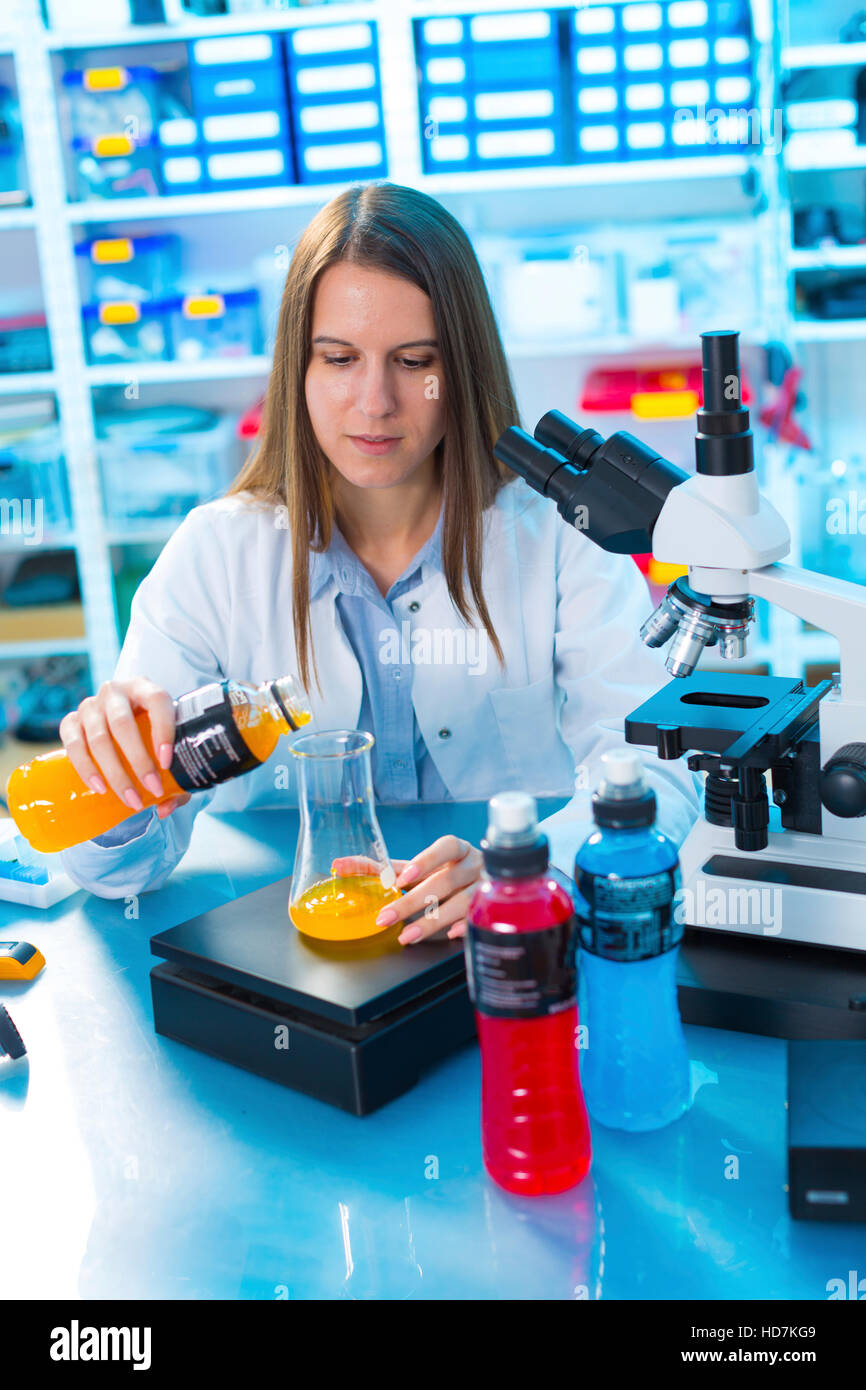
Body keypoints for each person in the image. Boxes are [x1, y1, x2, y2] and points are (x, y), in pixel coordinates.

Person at [58, 182, 700, 939]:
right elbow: (119, 875)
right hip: (288, 953)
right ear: (297, 368)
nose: (374, 402)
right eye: (338, 358)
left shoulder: (556, 538)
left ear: (461, 367)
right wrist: (113, 776)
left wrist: (530, 865)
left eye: (413, 360)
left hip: (507, 936)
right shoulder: (215, 554)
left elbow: (655, 767)